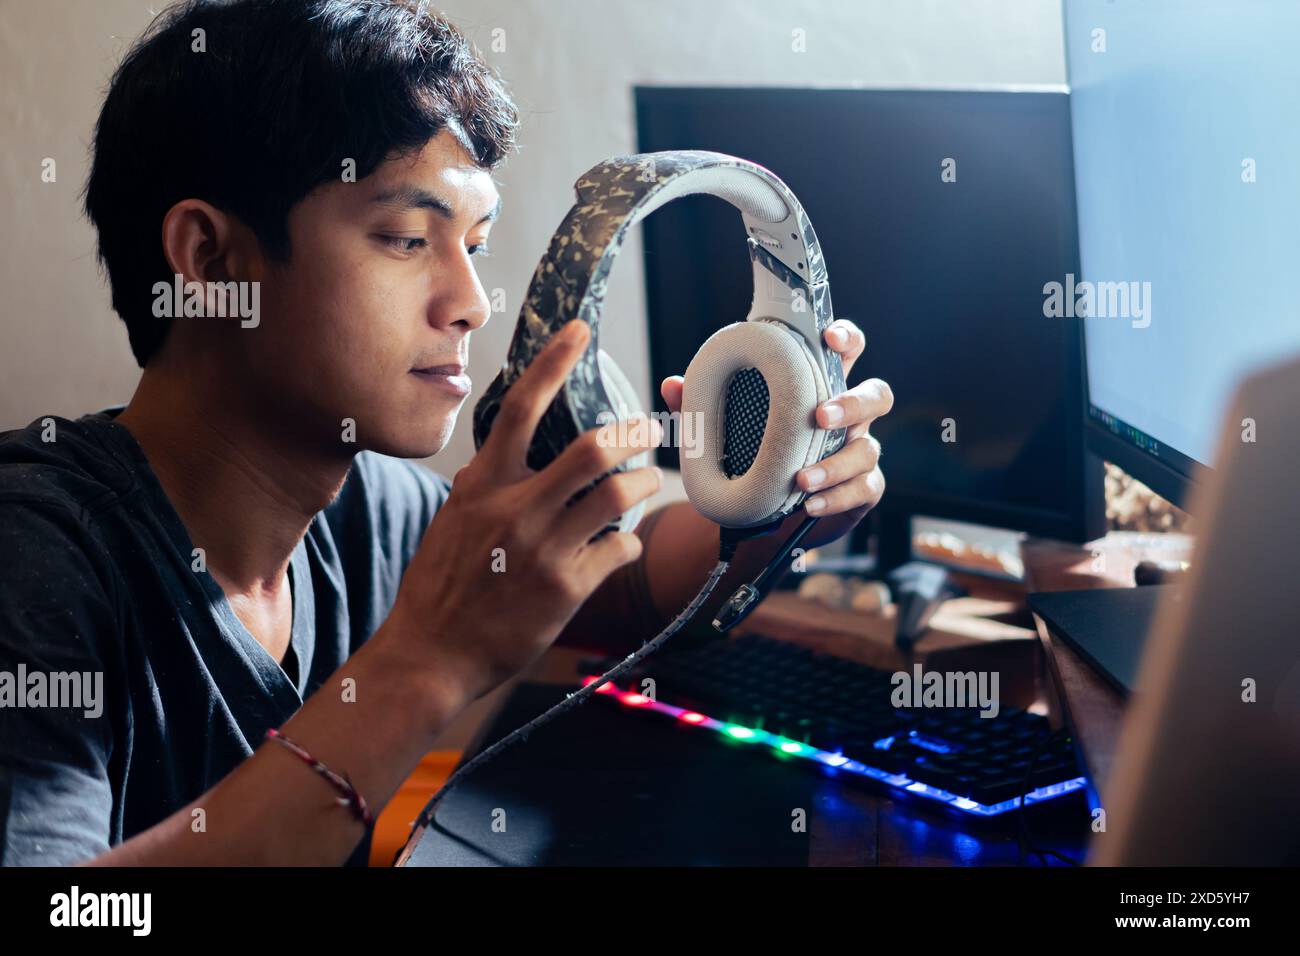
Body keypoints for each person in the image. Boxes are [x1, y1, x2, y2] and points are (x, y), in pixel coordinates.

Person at [0, 0, 891, 866]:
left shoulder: (364, 512)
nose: (470, 304)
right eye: (404, 239)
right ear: (210, 261)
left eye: (475, 244)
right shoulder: (32, 558)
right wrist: (426, 661)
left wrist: (780, 498)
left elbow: (619, 588)